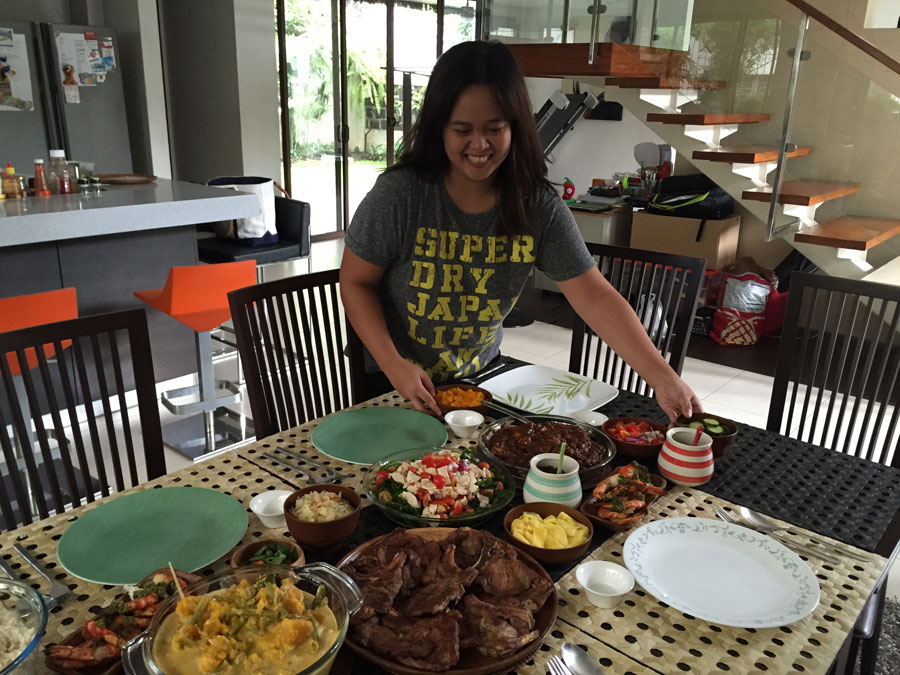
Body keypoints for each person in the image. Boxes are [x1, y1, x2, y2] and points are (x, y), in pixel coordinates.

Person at [339, 40, 700, 423]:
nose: (479, 145)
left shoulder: (536, 206)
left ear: (515, 126)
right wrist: (393, 365)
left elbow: (594, 295)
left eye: (495, 128)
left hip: (483, 381)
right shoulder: (401, 194)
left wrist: (664, 378)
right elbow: (355, 282)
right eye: (462, 129)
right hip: (395, 379)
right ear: (438, 128)